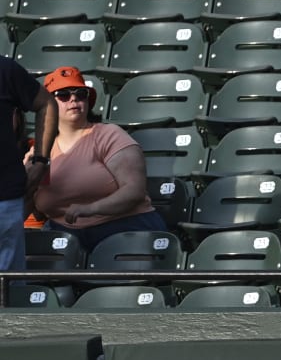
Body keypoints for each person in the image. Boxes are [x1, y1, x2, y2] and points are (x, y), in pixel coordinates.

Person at [30, 66, 167, 253]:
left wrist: (90, 209)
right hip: (64, 236)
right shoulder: (40, 149)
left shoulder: (109, 135)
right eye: (62, 94)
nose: (73, 99)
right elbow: (31, 202)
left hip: (123, 227)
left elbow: (133, 191)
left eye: (81, 93)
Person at [0, 57, 57, 271]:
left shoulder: (4, 70)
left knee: (8, 294)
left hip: (3, 200)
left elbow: (47, 103)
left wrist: (40, 160)